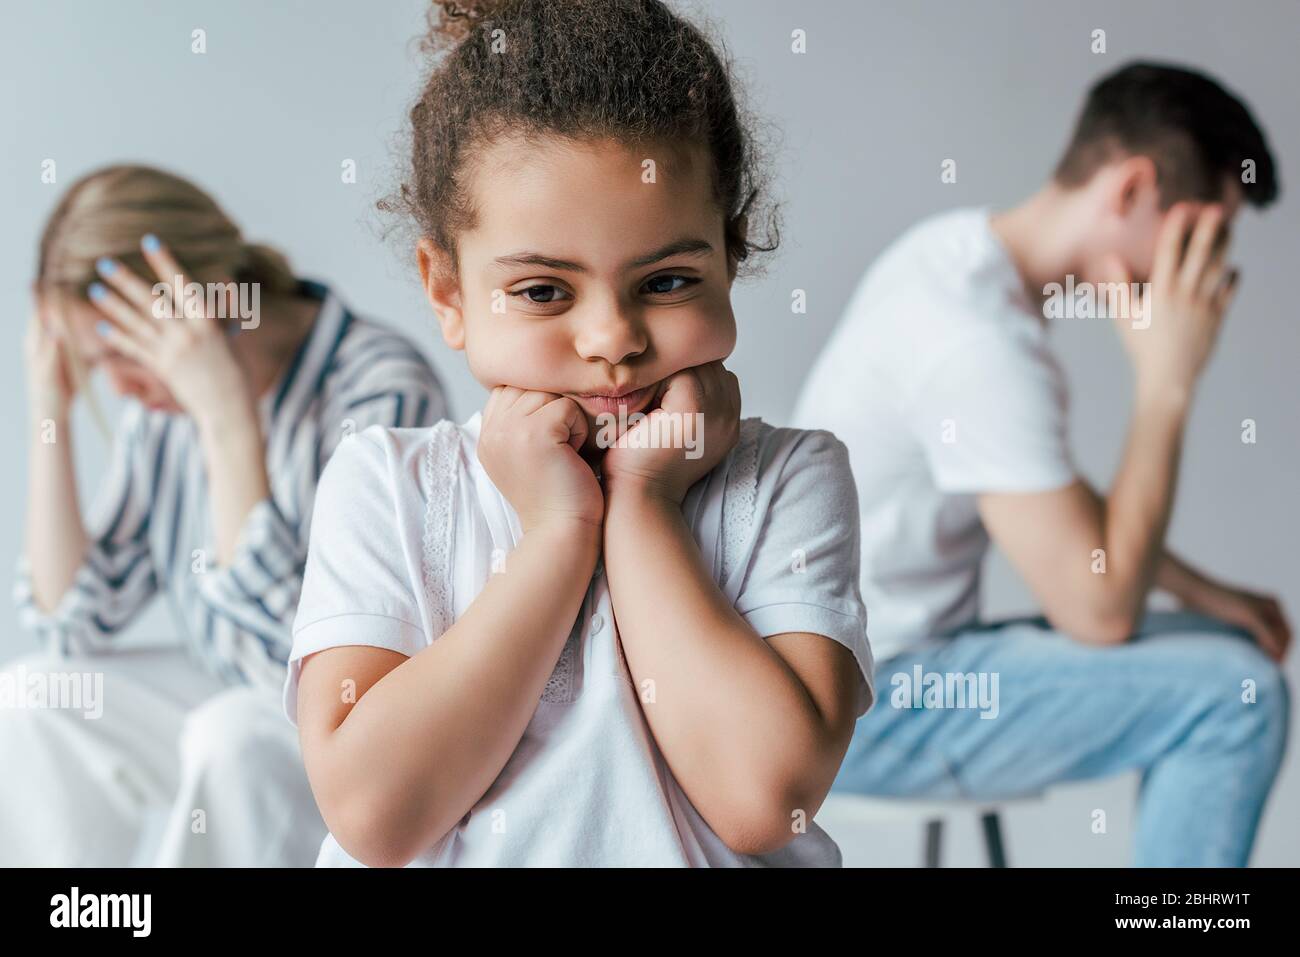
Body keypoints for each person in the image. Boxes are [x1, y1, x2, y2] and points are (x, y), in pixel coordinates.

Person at [286, 0, 874, 867]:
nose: (613, 339)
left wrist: (643, 502)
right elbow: (377, 817)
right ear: (447, 292)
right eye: (542, 291)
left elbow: (765, 800)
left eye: (668, 279)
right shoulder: (386, 485)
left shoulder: (788, 479)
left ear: (733, 254)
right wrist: (559, 535)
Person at [793, 62, 1290, 866]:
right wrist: (1167, 382)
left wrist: (1208, 591)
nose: (1208, 277)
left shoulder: (953, 258)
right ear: (1132, 189)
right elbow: (1099, 612)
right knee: (1239, 700)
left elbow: (1045, 498)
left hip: (879, 668)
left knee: (1224, 650)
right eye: (1202, 237)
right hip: (863, 708)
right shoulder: (977, 342)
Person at [2, 163, 450, 866]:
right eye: (97, 363)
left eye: (123, 352)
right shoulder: (159, 410)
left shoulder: (379, 388)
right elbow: (72, 621)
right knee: (30, 693)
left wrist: (226, 421)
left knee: (230, 731)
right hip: (226, 689)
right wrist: (49, 411)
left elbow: (295, 667)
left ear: (199, 302)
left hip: (344, 726)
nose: (117, 385)